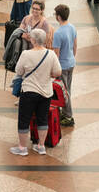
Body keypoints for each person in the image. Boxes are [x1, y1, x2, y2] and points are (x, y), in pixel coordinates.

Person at [11, 28, 63, 157]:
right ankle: (41, 146)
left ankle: (22, 148)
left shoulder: (26, 54)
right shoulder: (51, 54)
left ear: (33, 40)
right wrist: (48, 74)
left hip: (29, 91)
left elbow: (18, 71)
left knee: (24, 119)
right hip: (46, 92)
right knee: (42, 119)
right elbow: (58, 72)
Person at [52, 5, 77, 127]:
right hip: (71, 62)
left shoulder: (58, 33)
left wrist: (53, 69)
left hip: (62, 66)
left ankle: (68, 116)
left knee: (64, 91)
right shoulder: (72, 27)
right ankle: (66, 111)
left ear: (58, 17)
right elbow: (75, 45)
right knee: (68, 89)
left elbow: (56, 55)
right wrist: (71, 58)